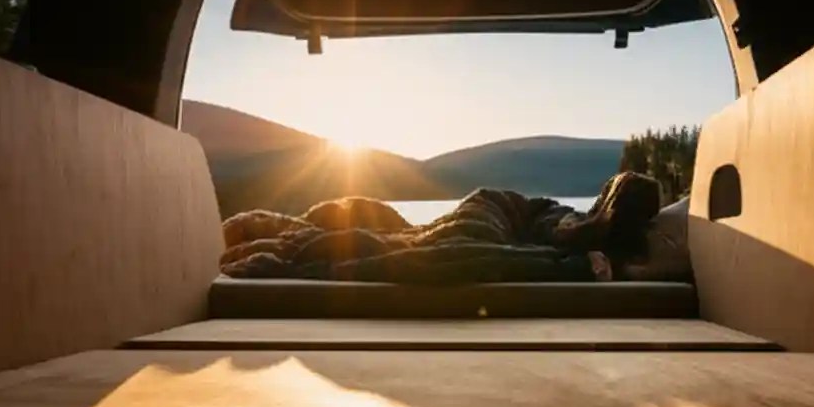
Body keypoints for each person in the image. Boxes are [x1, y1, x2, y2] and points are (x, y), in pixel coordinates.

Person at [220, 173, 693, 284]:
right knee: (440, 246)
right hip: (499, 212)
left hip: (498, 220)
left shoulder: (602, 248)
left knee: (411, 236)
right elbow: (479, 255)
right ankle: (290, 241)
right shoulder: (576, 229)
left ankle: (292, 234)